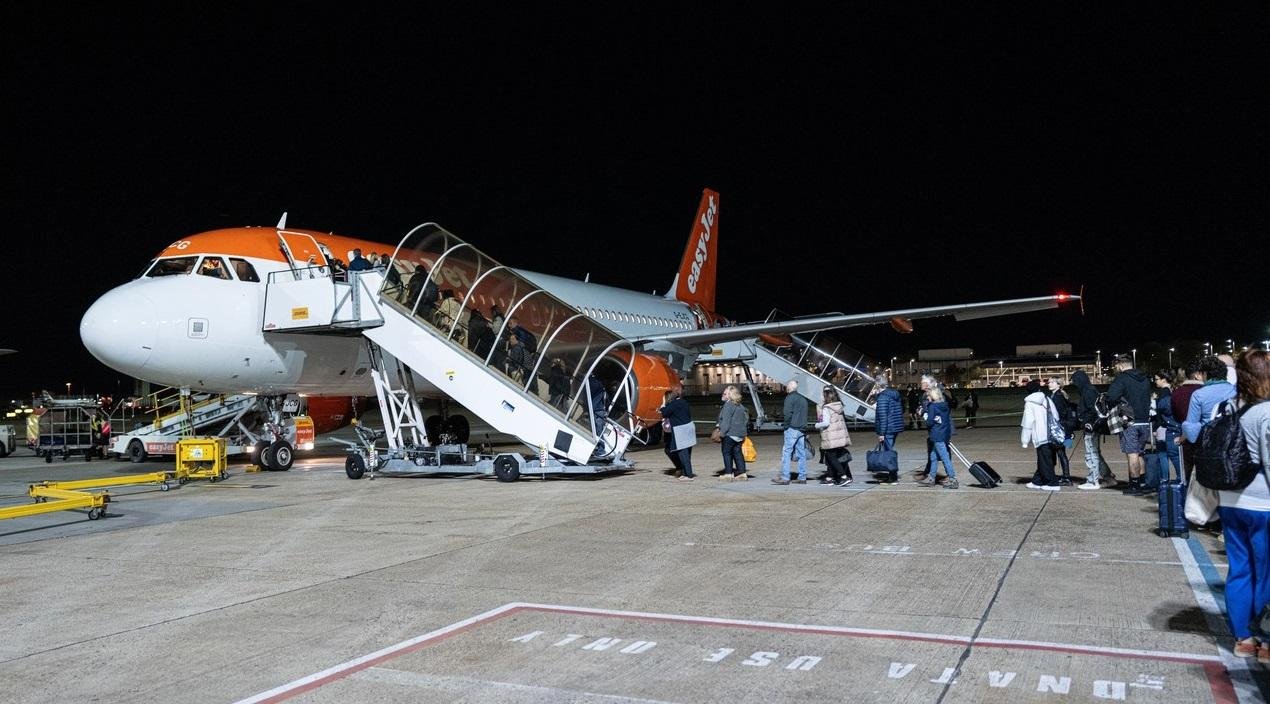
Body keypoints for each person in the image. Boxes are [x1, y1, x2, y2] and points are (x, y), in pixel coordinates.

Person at [1217, 350, 1270, 661]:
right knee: (1266, 573)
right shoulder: (1266, 413)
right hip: (1263, 504)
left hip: (1230, 500)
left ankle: (1243, 638)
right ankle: (1265, 641)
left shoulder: (1229, 406)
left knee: (1240, 570)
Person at [1106, 354, 1153, 496]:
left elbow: (1112, 396)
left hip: (1130, 421)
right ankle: (1143, 482)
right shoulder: (1144, 378)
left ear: (1120, 365)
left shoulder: (1121, 378)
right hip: (1144, 419)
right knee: (1139, 452)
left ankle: (1134, 485)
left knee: (1132, 453)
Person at [1183, 355, 1238, 446]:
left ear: (1205, 374)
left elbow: (1192, 430)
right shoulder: (1234, 390)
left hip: (1210, 442)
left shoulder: (1198, 395)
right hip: (1232, 439)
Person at [1073, 369, 1114, 490]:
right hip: (1094, 426)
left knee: (1091, 454)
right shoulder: (1089, 390)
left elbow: (1093, 410)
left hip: (1091, 427)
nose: (1075, 384)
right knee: (1096, 453)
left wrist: (1088, 423)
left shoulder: (1088, 391)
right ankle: (1108, 478)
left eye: (1075, 381)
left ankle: (1092, 481)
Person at [1144, 370, 1182, 490]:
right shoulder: (1174, 389)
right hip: (1174, 425)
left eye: (1156, 379)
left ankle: (1165, 478)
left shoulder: (1164, 392)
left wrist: (1154, 401)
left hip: (1165, 426)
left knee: (1163, 454)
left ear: (1163, 379)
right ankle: (1179, 477)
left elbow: (1162, 411)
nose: (1155, 382)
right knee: (1171, 454)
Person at [1022, 385, 1062, 491]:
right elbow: (1056, 415)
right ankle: (1037, 480)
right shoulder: (1047, 399)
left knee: (1045, 460)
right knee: (1044, 459)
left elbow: (1027, 422)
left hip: (1040, 435)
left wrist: (1025, 440)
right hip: (1051, 434)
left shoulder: (1029, 403)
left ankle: (1052, 483)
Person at [1171, 360, 1206, 482]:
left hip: (1186, 437)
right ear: (1198, 375)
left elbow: (1175, 415)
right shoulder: (1205, 390)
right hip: (1205, 437)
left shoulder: (1177, 393)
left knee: (1189, 473)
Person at [918, 385, 957, 488]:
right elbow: (941, 420)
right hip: (944, 432)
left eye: (929, 395)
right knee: (933, 456)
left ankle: (952, 479)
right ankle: (931, 478)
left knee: (944, 457)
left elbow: (930, 422)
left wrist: (924, 414)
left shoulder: (933, 406)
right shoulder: (944, 405)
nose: (928, 396)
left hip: (937, 434)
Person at [772, 380, 809, 485]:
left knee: (787, 452)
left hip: (792, 428)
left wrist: (786, 426)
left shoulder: (789, 398)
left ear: (789, 388)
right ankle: (802, 477)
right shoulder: (803, 399)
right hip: (801, 429)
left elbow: (787, 414)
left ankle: (785, 477)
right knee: (801, 453)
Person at [814, 387, 853, 486]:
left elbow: (826, 423)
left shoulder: (827, 408)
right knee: (830, 456)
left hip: (832, 437)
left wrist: (816, 425)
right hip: (839, 436)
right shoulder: (837, 406)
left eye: (823, 394)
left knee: (831, 457)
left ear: (826, 396)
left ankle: (844, 476)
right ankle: (830, 478)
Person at [873, 374, 904, 485]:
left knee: (888, 453)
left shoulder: (882, 397)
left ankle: (893, 477)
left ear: (877, 384)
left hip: (887, 429)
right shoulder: (894, 394)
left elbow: (883, 416)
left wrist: (882, 433)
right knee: (889, 451)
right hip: (895, 427)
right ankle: (892, 475)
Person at [659, 386, 694, 481]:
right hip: (689, 429)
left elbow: (664, 413)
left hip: (681, 431)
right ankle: (686, 473)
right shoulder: (684, 402)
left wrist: (662, 405)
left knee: (683, 454)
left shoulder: (674, 404)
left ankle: (688, 475)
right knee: (687, 453)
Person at [716, 385, 750, 481]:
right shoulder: (740, 405)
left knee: (727, 453)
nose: (722, 395)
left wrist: (721, 434)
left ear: (730, 395)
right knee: (738, 453)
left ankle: (728, 473)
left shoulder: (728, 405)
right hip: (740, 434)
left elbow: (726, 422)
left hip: (730, 434)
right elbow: (745, 419)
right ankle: (742, 473)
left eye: (725, 393)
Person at [1047, 377, 1075, 486]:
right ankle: (1062, 476)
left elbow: (1059, 414)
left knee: (1060, 451)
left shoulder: (1058, 397)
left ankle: (1066, 477)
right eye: (1049, 382)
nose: (1049, 383)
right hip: (1063, 427)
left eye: (1052, 382)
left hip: (1060, 428)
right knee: (1058, 451)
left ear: (1058, 385)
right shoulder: (1057, 395)